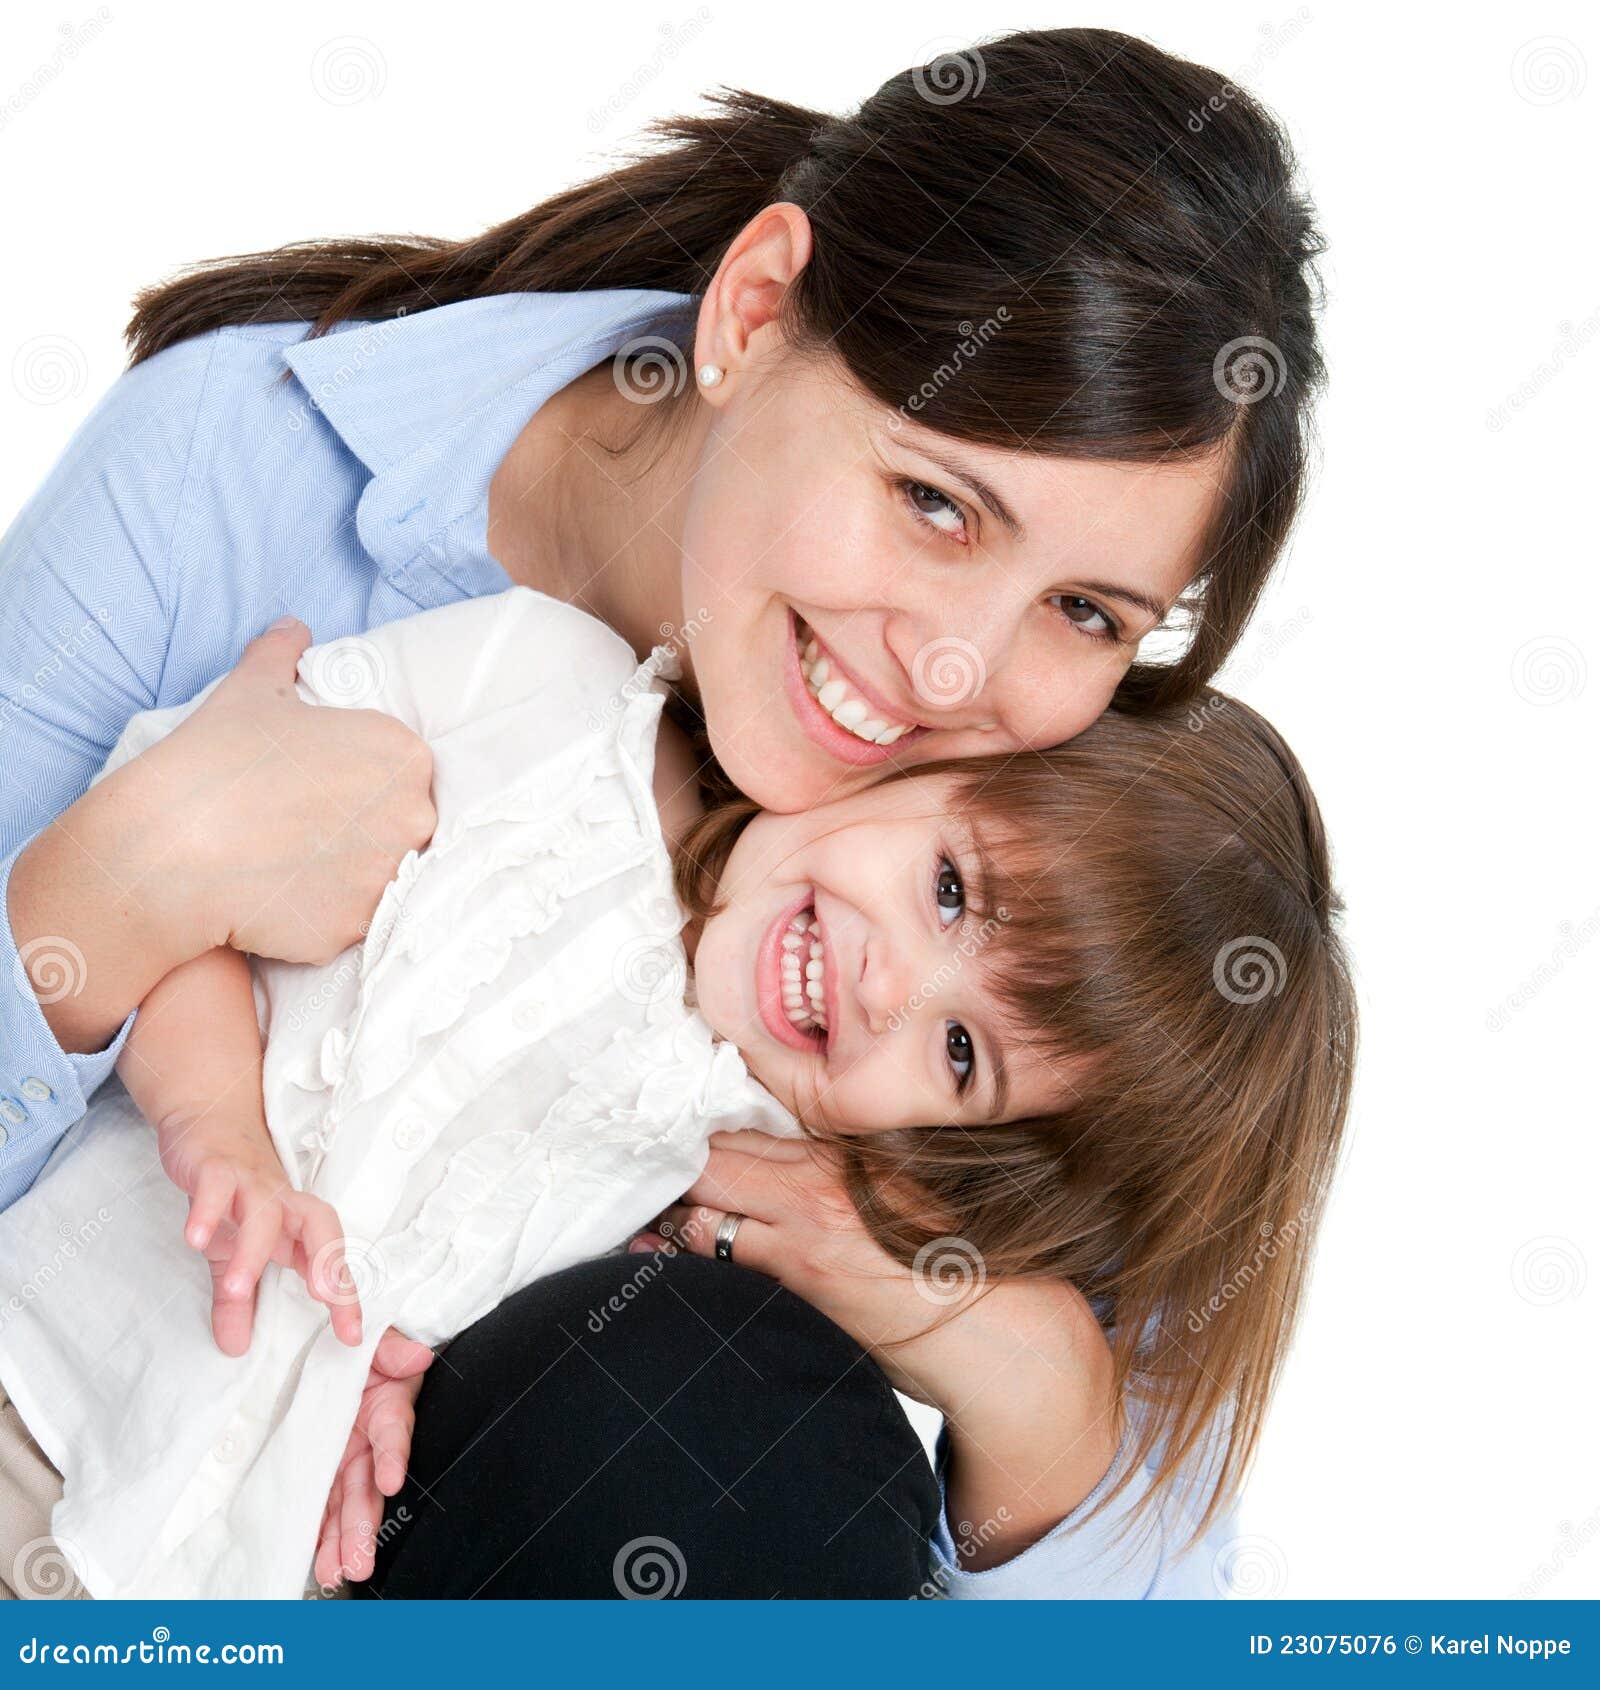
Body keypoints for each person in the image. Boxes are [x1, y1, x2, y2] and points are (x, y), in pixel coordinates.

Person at [0, 27, 1327, 1595]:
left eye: (1092, 610)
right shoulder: (257, 493)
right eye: (933, 501)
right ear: (754, 315)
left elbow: (1160, 1616)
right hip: (69, 1399)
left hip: (292, 1551)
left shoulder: (1016, 816)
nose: (960, 659)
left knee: (737, 1424)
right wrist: (123, 891)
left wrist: (1025, 1378)